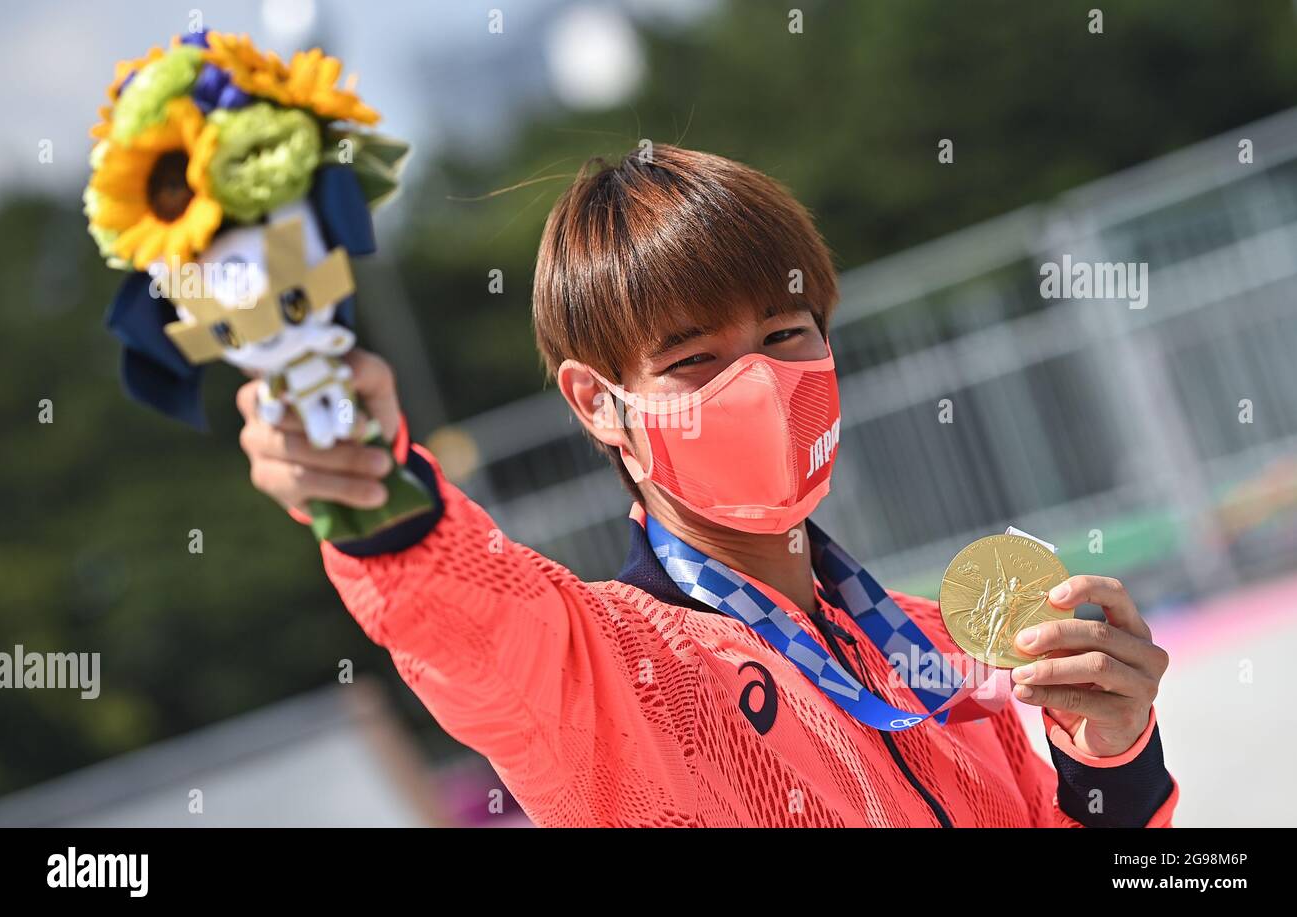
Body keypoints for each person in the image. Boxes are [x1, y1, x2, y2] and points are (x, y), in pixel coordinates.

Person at [237, 146, 1177, 827]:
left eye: (784, 334)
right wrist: (371, 487)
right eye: (693, 359)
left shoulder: (932, 647)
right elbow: (465, 612)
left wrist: (1112, 761)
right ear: (598, 405)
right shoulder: (604, 677)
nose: (761, 384)